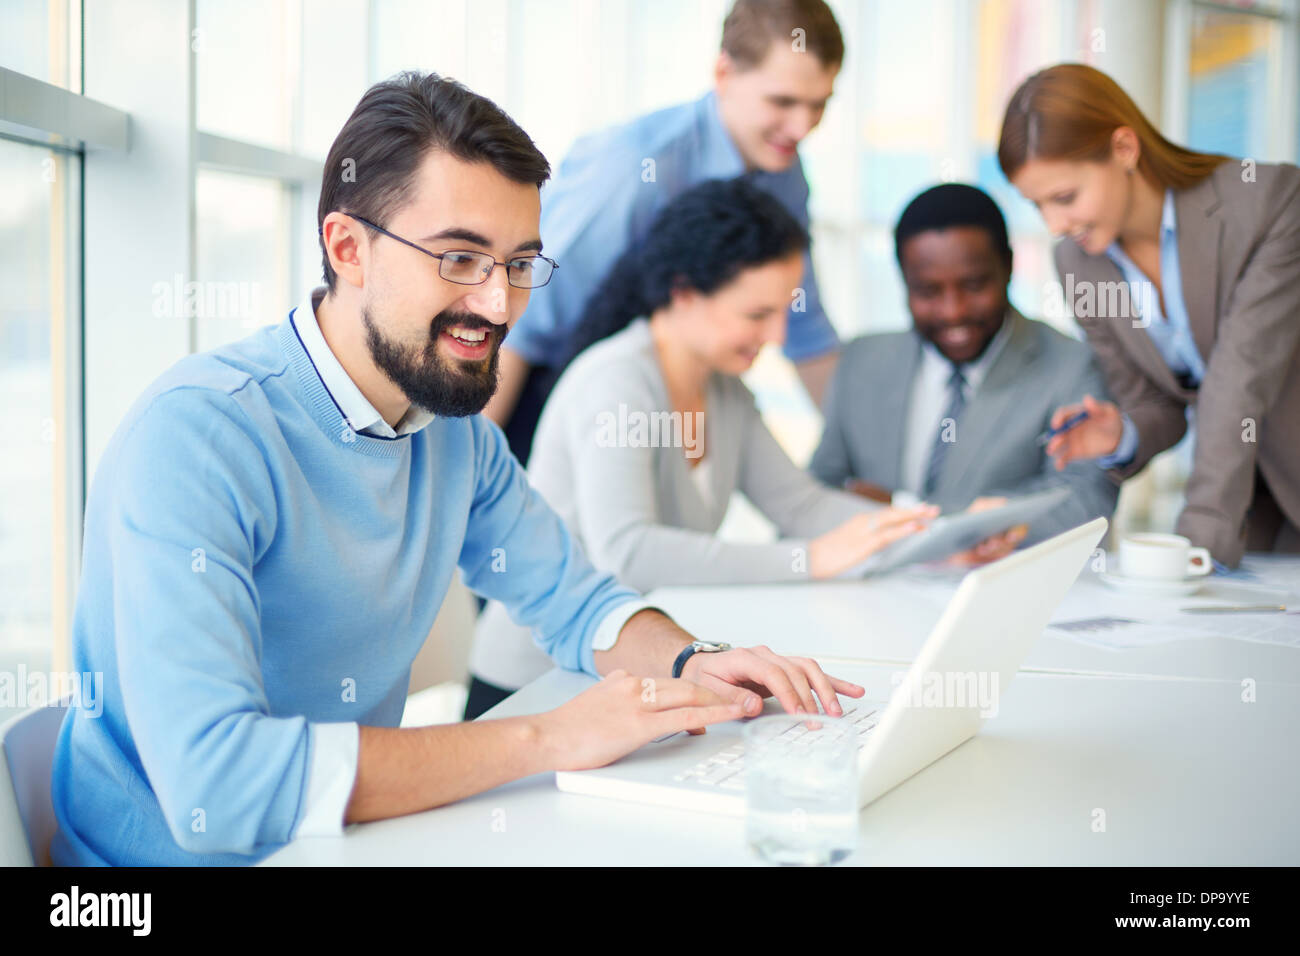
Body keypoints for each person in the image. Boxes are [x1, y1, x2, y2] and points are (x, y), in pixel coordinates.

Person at [49, 73, 867, 866]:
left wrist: (693, 661)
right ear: (348, 246)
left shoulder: (450, 429)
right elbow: (218, 786)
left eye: (518, 264)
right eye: (460, 259)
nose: (500, 305)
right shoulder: (199, 436)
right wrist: (549, 737)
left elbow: (578, 603)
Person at [465, 178, 1022, 718]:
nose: (778, 336)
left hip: (633, 673)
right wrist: (812, 560)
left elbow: (800, 505)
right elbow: (628, 552)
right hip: (535, 685)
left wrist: (941, 536)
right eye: (757, 314)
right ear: (684, 293)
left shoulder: (725, 388)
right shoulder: (616, 382)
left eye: (783, 311)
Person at [483, 0, 846, 465]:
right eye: (783, 102)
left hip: (662, 401)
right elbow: (522, 326)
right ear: (724, 73)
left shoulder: (785, 175)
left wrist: (866, 466)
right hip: (545, 391)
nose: (802, 127)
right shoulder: (636, 165)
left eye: (819, 105)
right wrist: (475, 481)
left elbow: (804, 326)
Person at [999, 63, 1300, 566]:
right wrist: (1124, 432)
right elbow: (1155, 401)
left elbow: (1238, 378)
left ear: (1124, 148)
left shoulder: (1268, 204)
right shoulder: (1078, 262)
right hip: (1259, 516)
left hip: (1237, 501)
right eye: (1037, 206)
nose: (1054, 224)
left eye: (1065, 197)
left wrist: (1190, 549)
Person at [809, 183, 1119, 545]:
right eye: (928, 291)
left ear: (1008, 267)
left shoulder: (1069, 365)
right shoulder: (862, 359)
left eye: (973, 286)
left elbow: (1083, 506)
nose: (953, 311)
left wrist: (904, 510)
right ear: (904, 282)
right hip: (873, 594)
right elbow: (817, 495)